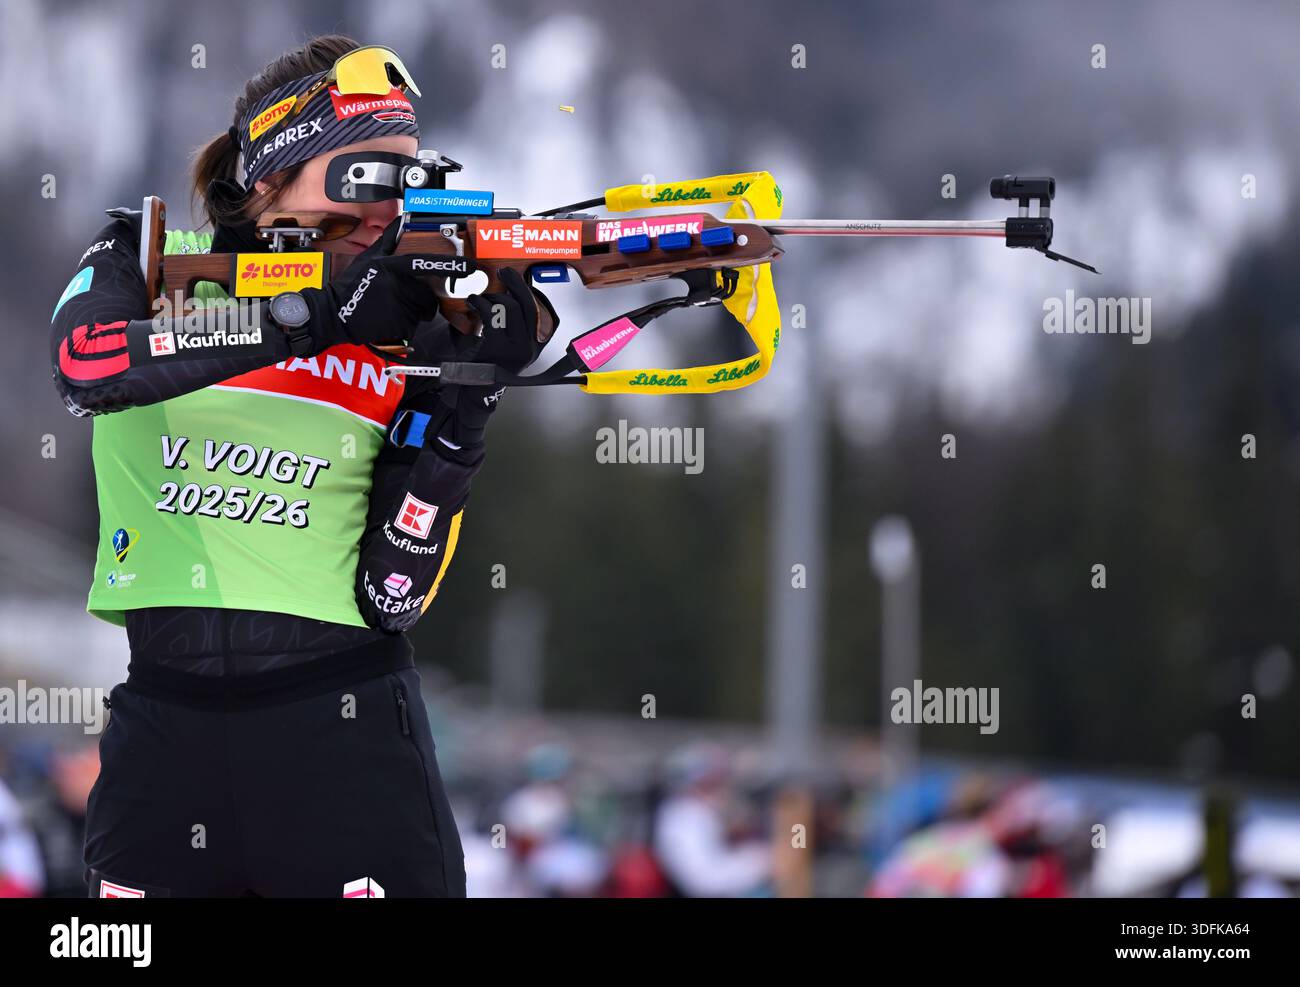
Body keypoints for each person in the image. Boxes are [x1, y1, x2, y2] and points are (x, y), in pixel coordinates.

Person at [49, 35, 555, 897]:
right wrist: (308, 316)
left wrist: (461, 409)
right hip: (164, 748)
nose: (384, 215)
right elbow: (88, 365)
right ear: (268, 176)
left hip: (347, 736)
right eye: (364, 180)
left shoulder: (403, 323)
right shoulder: (143, 257)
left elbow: (392, 594)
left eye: (407, 182)